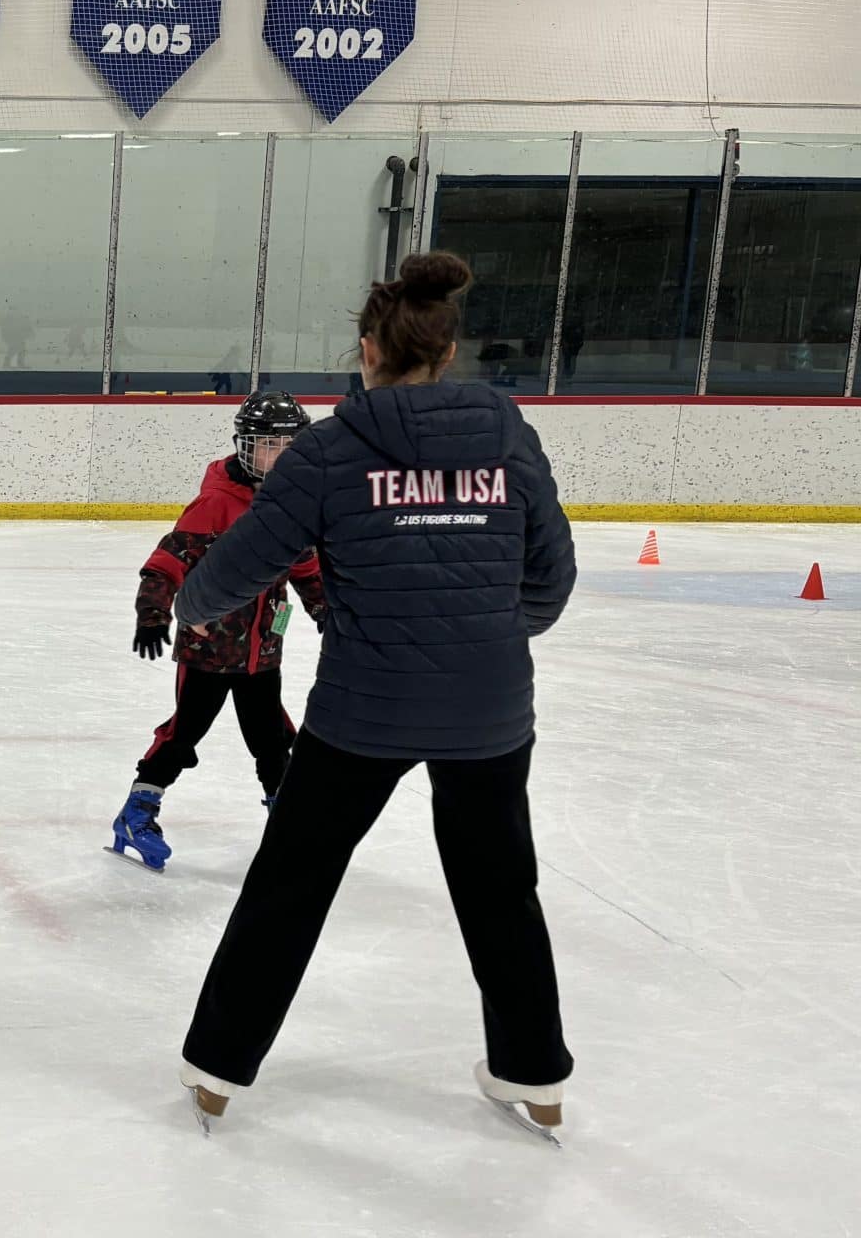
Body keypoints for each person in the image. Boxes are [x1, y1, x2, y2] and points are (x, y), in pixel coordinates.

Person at [171, 253, 579, 1137]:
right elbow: (552, 573)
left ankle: (217, 1070)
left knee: (292, 880)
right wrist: (487, 638)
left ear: (366, 352)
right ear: (449, 349)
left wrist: (191, 605)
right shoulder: (507, 430)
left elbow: (231, 573)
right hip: (489, 707)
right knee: (501, 886)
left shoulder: (328, 452)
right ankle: (536, 1073)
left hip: (365, 709)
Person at [111, 392, 328, 871]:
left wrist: (328, 616)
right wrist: (153, 613)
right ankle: (137, 812)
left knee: (272, 738)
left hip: (262, 651)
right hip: (208, 649)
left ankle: (287, 820)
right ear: (246, 446)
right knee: (184, 732)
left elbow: (307, 568)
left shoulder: (292, 503)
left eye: (289, 445)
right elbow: (167, 561)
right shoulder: (216, 503)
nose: (280, 455)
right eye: (269, 445)